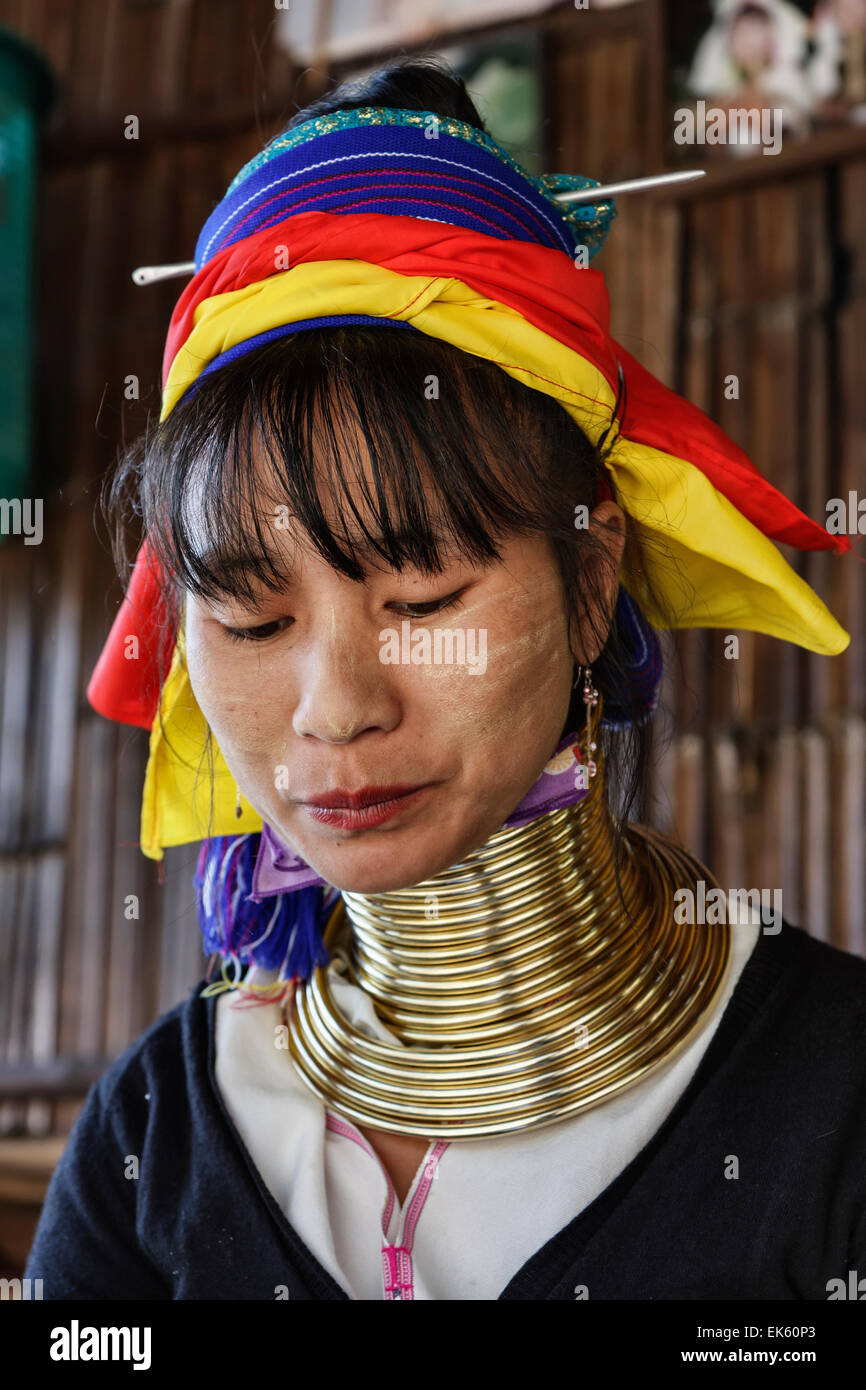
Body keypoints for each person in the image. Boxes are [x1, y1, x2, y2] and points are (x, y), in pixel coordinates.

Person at [25, 55, 865, 1301]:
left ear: (590, 580)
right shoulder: (148, 1145)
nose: (334, 709)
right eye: (252, 620)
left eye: (421, 601)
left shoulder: (833, 1095)